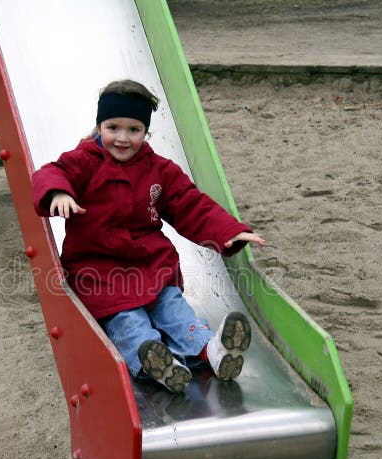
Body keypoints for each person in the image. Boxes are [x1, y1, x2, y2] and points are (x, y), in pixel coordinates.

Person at [32, 79, 266, 393]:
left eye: (134, 130)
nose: (122, 138)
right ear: (99, 126)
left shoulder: (159, 169)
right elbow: (50, 172)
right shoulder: (84, 162)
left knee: (174, 309)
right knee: (128, 321)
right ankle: (158, 362)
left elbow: (191, 204)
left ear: (146, 132)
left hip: (150, 265)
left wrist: (230, 230)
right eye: (113, 127)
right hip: (101, 273)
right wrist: (58, 192)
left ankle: (212, 351)